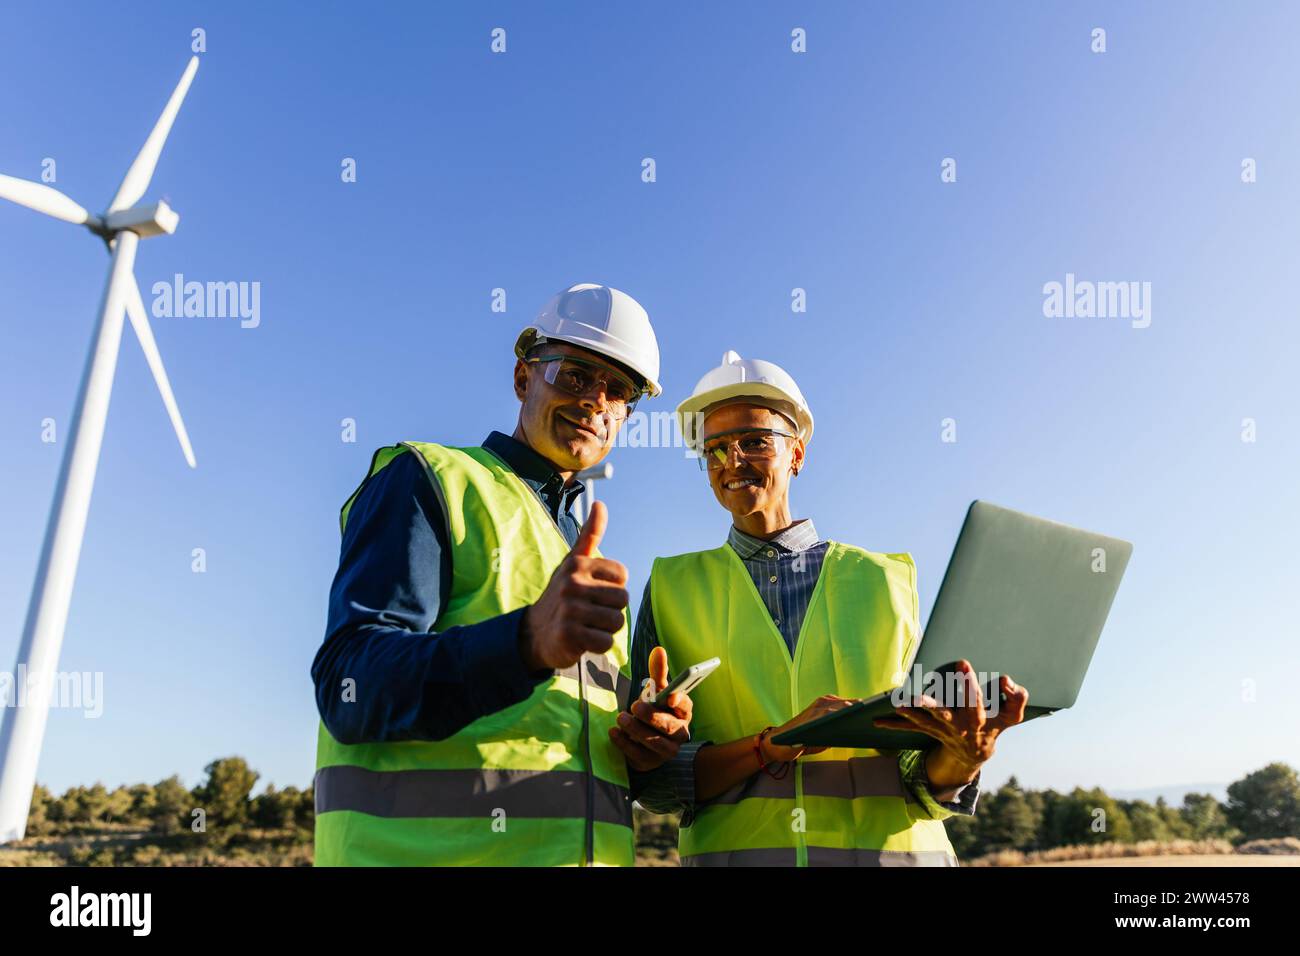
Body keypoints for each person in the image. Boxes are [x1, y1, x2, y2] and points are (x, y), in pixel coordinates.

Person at [311, 284, 692, 866]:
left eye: (620, 391)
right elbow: (349, 685)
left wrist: (643, 740)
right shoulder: (430, 480)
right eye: (574, 375)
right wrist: (524, 643)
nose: (596, 402)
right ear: (523, 379)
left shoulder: (585, 559)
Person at [629, 351, 1029, 866]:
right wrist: (772, 744)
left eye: (754, 441)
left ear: (796, 454)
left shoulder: (887, 580)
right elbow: (656, 781)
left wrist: (962, 758)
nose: (733, 461)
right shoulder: (670, 586)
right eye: (715, 449)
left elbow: (922, 777)